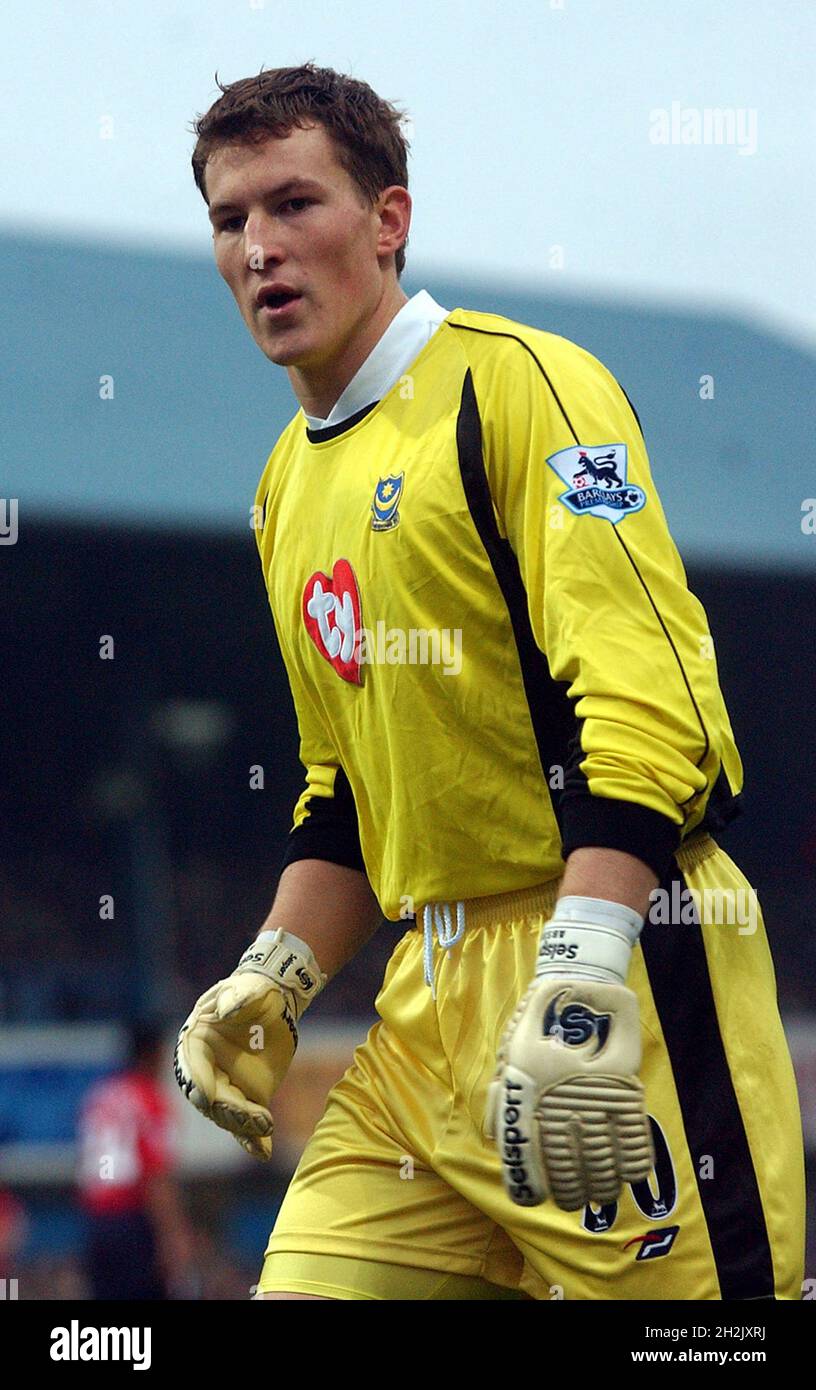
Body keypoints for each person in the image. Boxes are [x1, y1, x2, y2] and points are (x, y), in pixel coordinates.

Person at [174, 63, 805, 1301]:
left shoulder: (520, 386)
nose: (260, 246)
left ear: (389, 220)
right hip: (424, 1016)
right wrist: (275, 972)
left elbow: (651, 711)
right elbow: (347, 794)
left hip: (620, 962)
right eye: (230, 218)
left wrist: (582, 963)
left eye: (295, 204)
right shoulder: (281, 489)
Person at [77, 1022, 196, 1299]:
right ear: (152, 1055)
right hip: (135, 1224)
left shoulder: (100, 1097)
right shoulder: (149, 1099)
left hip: (98, 1225)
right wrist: (173, 1237)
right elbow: (156, 1176)